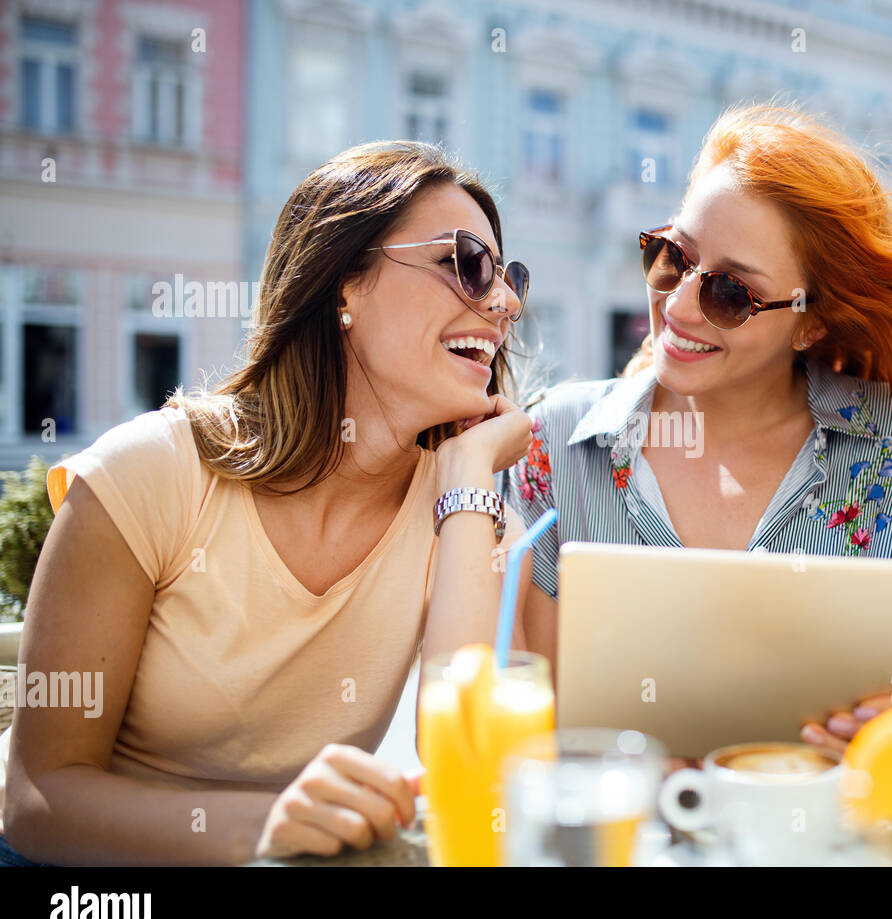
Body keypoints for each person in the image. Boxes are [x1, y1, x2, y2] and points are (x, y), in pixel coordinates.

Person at [1, 142, 535, 865]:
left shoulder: (468, 511)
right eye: (466, 262)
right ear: (346, 284)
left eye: (508, 277)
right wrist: (263, 825)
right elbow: (36, 798)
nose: (501, 301)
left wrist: (471, 470)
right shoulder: (151, 474)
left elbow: (464, 766)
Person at [505, 105, 892, 750]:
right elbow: (534, 726)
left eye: (730, 293)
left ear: (812, 322)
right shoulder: (553, 442)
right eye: (675, 257)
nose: (676, 305)